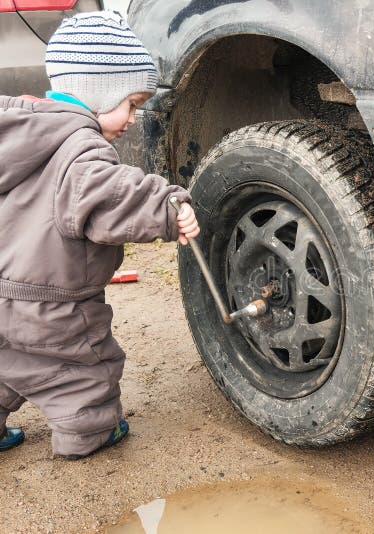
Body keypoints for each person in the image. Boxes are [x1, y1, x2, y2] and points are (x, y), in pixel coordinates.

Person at [0, 11, 199, 459]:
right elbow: (109, 197)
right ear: (98, 92)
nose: (133, 118)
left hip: (3, 290)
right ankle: (86, 436)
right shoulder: (81, 148)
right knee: (85, 368)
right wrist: (169, 207)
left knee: (7, 360)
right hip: (55, 300)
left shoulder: (23, 134)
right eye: (131, 103)